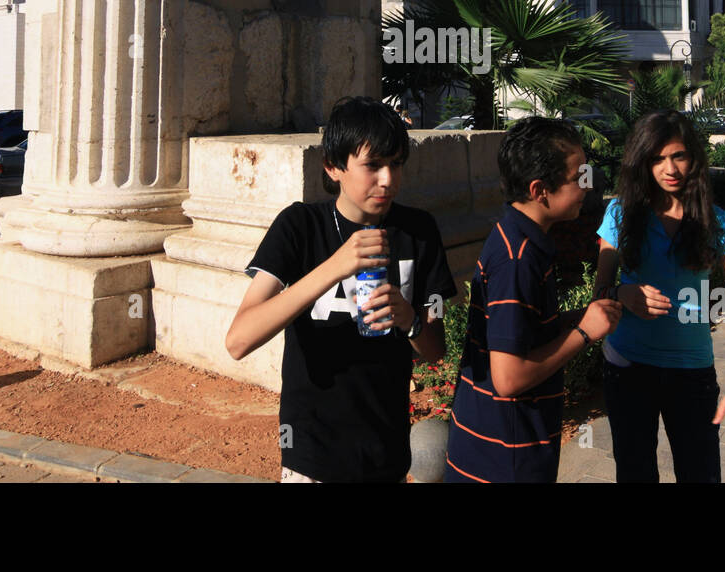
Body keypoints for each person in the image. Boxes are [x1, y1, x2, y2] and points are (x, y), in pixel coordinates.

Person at [225, 96, 456, 482]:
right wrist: (334, 267)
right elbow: (238, 340)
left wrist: (410, 319)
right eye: (373, 165)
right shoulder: (299, 226)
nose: (387, 179)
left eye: (396, 164)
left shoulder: (419, 231)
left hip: (387, 450)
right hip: (314, 453)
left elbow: (436, 349)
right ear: (334, 167)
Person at [593, 109, 725, 482]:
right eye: (657, 158)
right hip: (627, 367)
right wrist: (622, 293)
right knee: (635, 472)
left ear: (694, 158)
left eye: (678, 156)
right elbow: (600, 294)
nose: (669, 168)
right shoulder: (619, 213)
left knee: (701, 473)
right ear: (642, 162)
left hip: (692, 372)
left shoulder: (714, 220)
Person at [444, 117, 622, 483]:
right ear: (541, 190)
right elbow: (507, 378)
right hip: (503, 460)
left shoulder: (520, 238)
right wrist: (585, 333)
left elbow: (524, 332)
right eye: (579, 177)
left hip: (497, 448)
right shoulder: (518, 259)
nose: (587, 185)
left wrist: (579, 317)